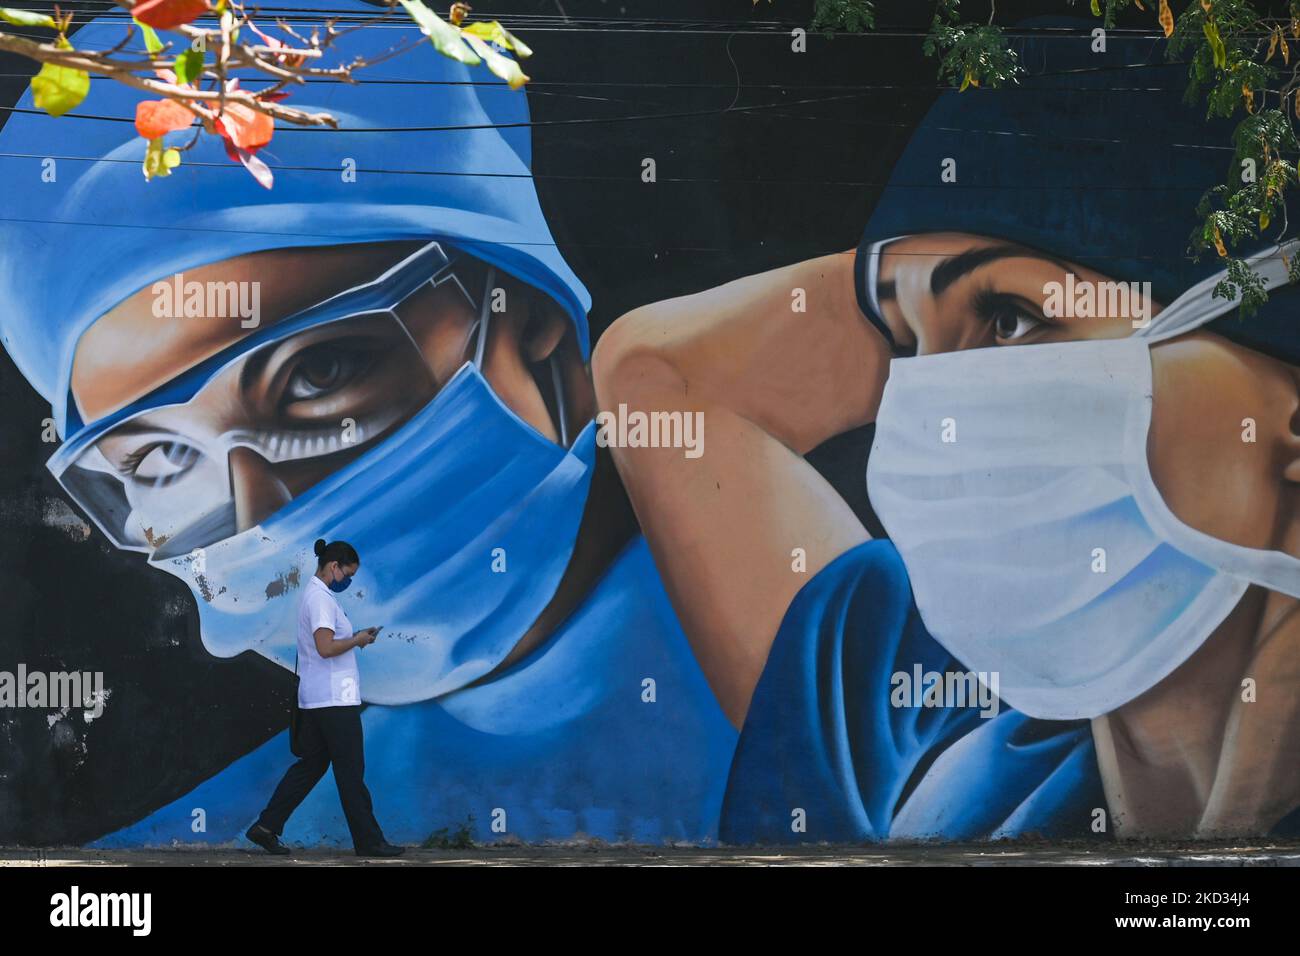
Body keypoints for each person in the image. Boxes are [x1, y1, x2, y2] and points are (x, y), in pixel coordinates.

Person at [0, 0, 737, 847]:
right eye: (162, 461)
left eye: (319, 371)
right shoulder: (165, 853)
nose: (266, 510)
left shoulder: (827, 649)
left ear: (533, 325)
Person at [593, 19, 1300, 841]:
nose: (937, 401)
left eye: (1011, 319)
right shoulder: (916, 716)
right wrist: (933, 269)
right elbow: (652, 376)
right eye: (903, 342)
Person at [245, 539, 402, 857]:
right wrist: (357, 639)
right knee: (350, 770)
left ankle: (266, 826)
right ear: (334, 567)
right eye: (349, 574)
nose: (349, 580)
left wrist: (354, 638)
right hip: (333, 700)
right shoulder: (319, 600)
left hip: (319, 697)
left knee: (312, 765)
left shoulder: (319, 597)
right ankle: (370, 842)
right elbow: (326, 647)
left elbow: (326, 644)